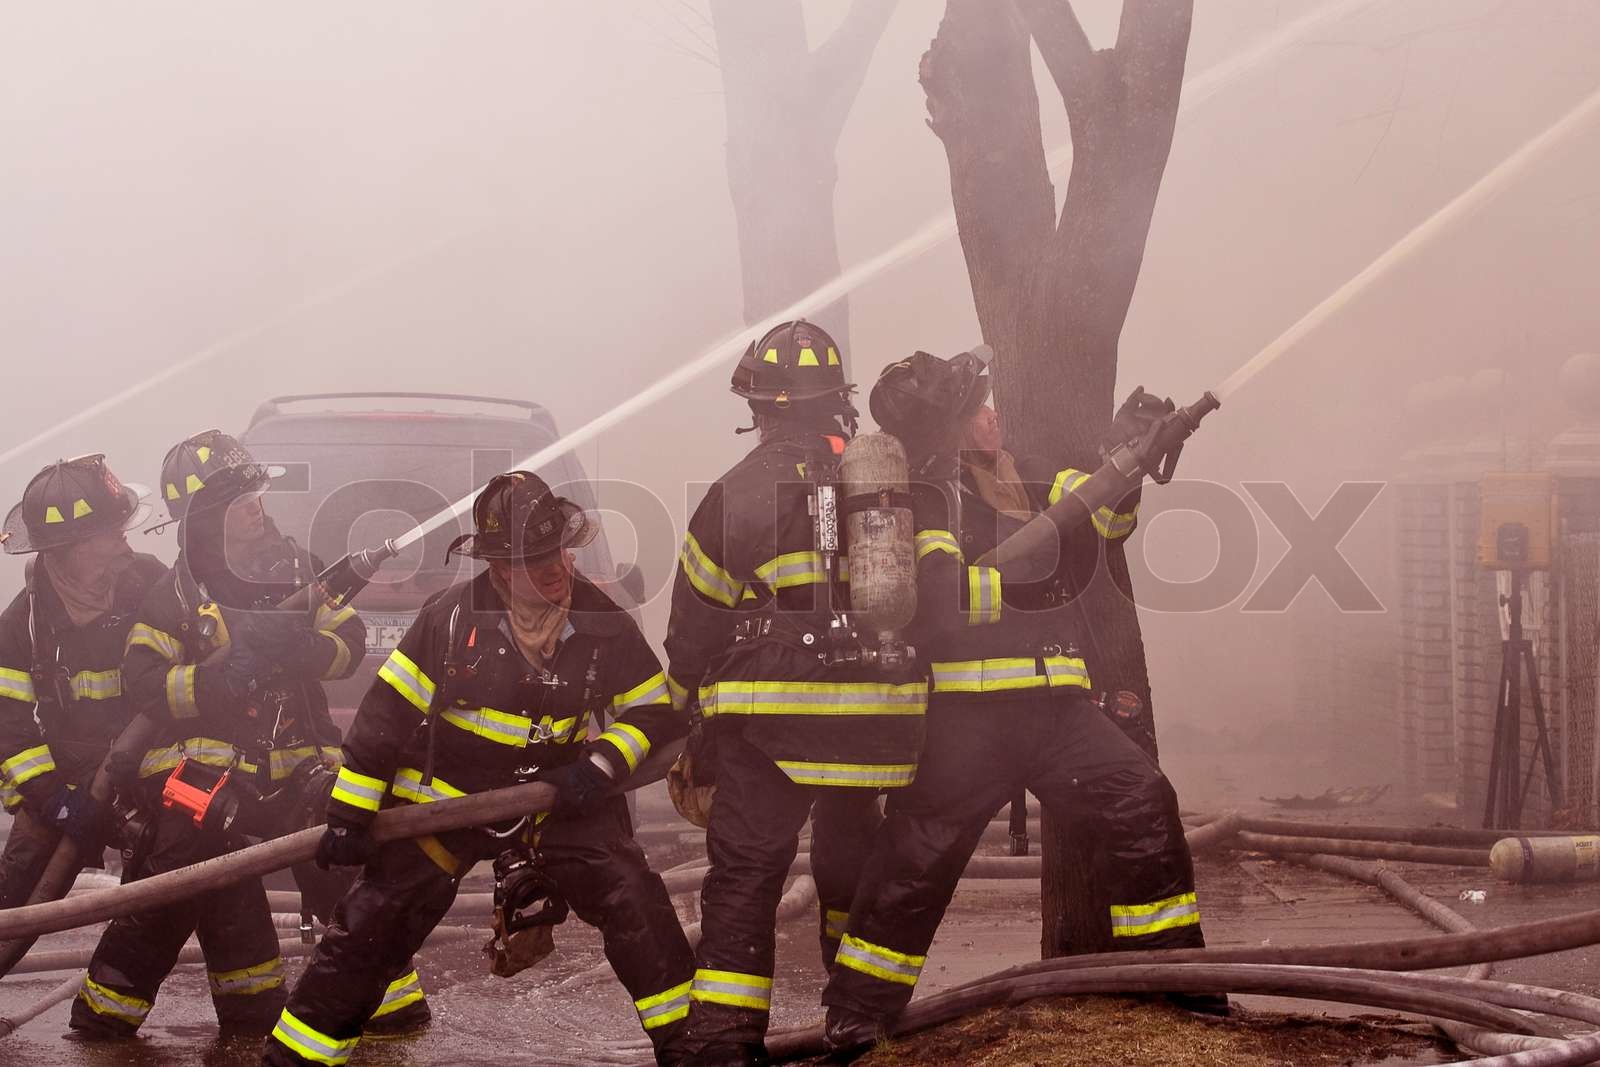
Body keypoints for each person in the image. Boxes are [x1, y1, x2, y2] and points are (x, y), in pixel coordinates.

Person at [821, 352, 1212, 1048]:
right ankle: (857, 1008)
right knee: (917, 856)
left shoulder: (1030, 471)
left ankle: (1172, 968)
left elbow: (1104, 518)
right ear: (948, 429)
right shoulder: (928, 496)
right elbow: (936, 605)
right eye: (975, 408)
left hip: (1056, 708)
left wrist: (1131, 458)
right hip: (966, 717)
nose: (991, 415)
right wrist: (1019, 571)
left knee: (1141, 799)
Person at [265, 471, 694, 1067]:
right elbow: (384, 717)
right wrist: (350, 813)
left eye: (556, 552)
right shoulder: (450, 617)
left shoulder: (599, 617)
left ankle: (693, 1048)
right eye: (530, 559)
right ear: (497, 566)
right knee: (374, 923)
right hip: (448, 801)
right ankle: (296, 1059)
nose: (552, 569)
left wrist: (599, 763)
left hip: (554, 799)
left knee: (633, 897)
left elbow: (651, 709)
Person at [664, 320, 929, 1064]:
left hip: (774, 721)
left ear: (761, 405)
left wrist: (684, 703)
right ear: (834, 402)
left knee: (749, 870)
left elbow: (696, 625)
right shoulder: (886, 482)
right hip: (878, 722)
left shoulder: (736, 494)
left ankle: (723, 1037)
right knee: (852, 853)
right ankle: (858, 1018)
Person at [69, 431, 368, 1038]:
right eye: (237, 500)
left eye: (254, 494)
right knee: (179, 877)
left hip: (297, 774)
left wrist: (303, 647)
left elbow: (351, 647)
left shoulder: (299, 569)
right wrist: (218, 680)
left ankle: (388, 1007)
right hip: (205, 780)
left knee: (342, 868)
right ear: (203, 519)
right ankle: (108, 1019)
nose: (254, 507)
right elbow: (146, 684)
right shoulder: (176, 595)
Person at [0, 456, 164, 907]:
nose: (124, 543)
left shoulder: (148, 581)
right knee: (16, 899)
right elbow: (10, 732)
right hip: (69, 783)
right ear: (74, 548)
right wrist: (58, 803)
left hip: (151, 763)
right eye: (112, 532)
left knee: (164, 890)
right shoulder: (21, 627)